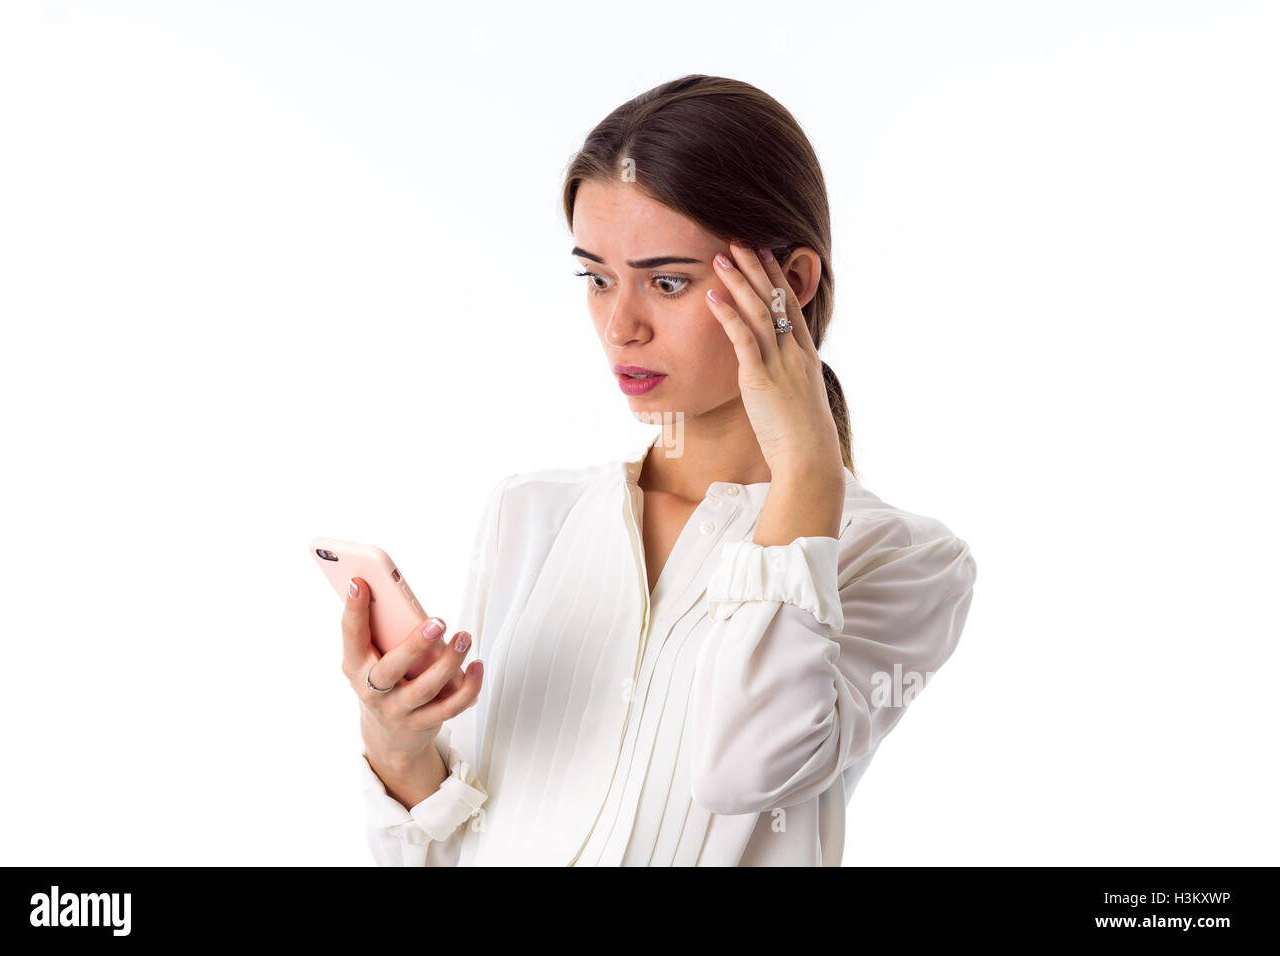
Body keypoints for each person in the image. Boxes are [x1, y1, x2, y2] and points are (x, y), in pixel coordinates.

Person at [340, 74, 977, 866]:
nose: (620, 326)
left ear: (795, 285)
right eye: (597, 277)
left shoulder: (903, 559)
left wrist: (806, 469)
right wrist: (399, 746)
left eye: (666, 281)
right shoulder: (531, 515)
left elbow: (744, 768)